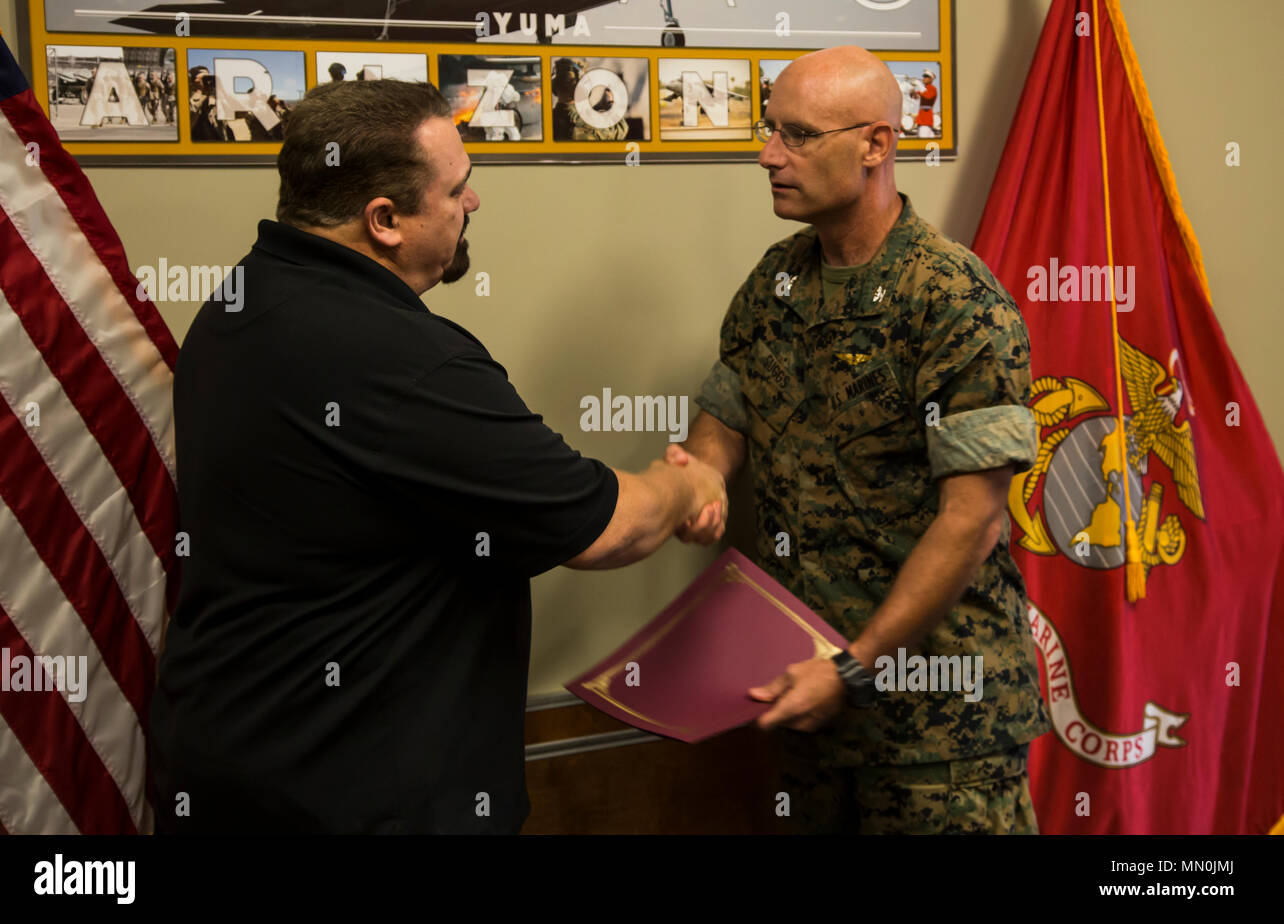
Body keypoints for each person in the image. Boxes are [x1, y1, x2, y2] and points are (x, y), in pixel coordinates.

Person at [150, 78, 725, 835]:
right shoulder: (398, 359)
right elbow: (609, 528)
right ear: (385, 220)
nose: (473, 203)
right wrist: (690, 484)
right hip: (350, 796)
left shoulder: (245, 297)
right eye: (458, 187)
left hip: (238, 765)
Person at [673, 46, 1050, 834]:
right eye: (771, 131)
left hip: (941, 729)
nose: (770, 156)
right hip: (809, 705)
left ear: (876, 145)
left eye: (799, 136)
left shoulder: (954, 299)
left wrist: (855, 666)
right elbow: (728, 408)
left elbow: (973, 519)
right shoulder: (777, 281)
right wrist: (705, 474)